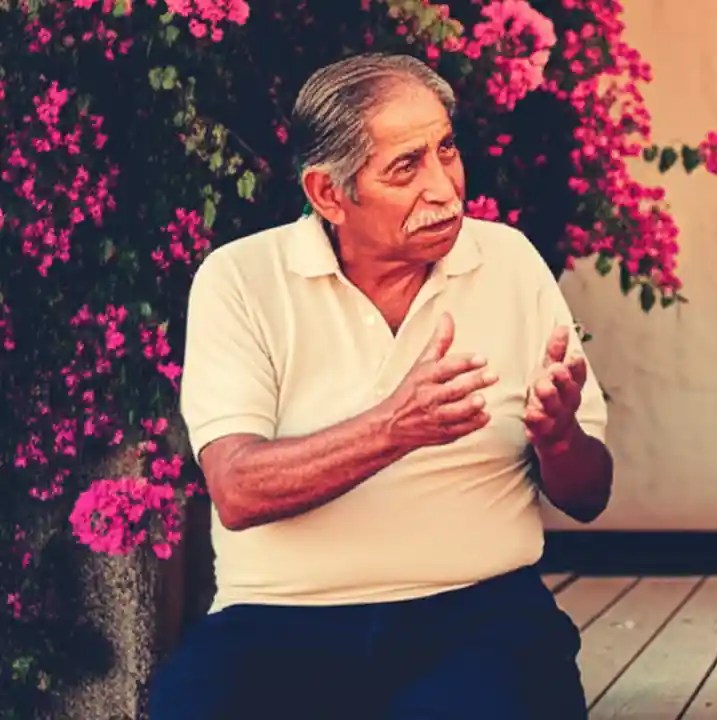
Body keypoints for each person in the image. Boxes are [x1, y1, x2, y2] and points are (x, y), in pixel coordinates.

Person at [149, 52, 613, 720]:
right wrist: (395, 427)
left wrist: (560, 438)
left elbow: (590, 496)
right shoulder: (242, 279)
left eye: (446, 150)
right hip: (279, 620)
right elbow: (239, 489)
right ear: (329, 194)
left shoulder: (507, 261)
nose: (446, 188)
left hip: (478, 613)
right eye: (406, 166)